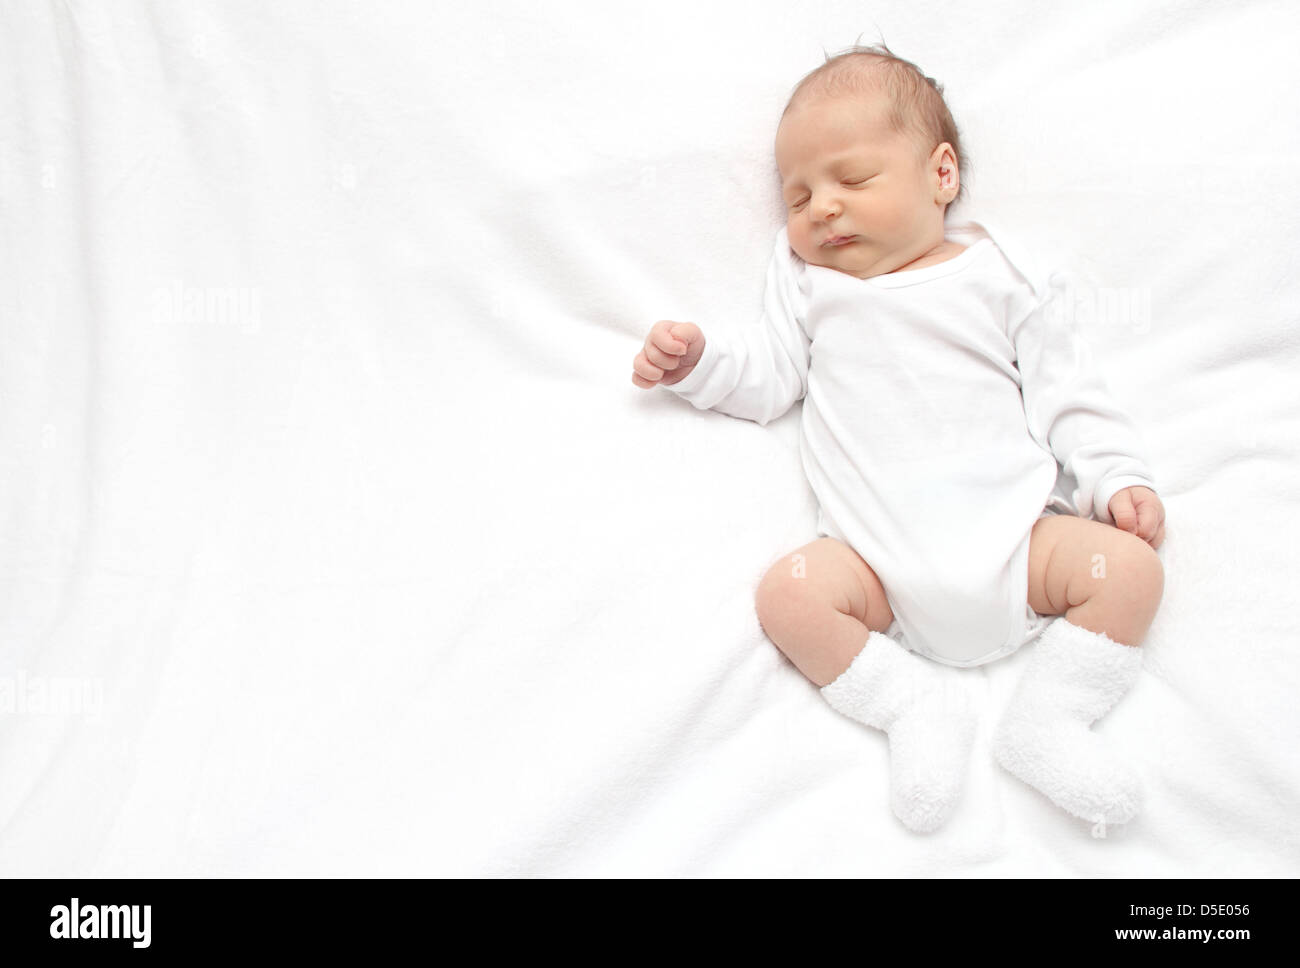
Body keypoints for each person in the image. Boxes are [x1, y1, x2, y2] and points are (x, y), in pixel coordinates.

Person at [630, 43, 1166, 833]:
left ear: (939, 174)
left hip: (1023, 549)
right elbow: (771, 377)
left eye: (852, 180)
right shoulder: (812, 285)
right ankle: (912, 705)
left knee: (1129, 571)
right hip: (876, 569)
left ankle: (1049, 719)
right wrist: (698, 362)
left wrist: (1116, 478)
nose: (822, 209)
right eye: (799, 195)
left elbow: (1069, 396)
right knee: (789, 595)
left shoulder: (1000, 276)